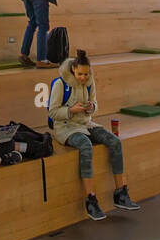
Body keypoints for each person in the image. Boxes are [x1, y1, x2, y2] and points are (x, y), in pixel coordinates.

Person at [48, 49, 140, 220]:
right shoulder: (60, 84)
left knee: (115, 142)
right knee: (85, 146)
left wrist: (91, 107)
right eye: (80, 74)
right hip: (65, 127)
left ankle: (121, 192)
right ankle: (90, 199)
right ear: (73, 69)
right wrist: (70, 110)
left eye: (86, 74)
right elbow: (52, 112)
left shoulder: (89, 83)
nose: (83, 77)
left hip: (86, 123)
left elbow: (96, 103)